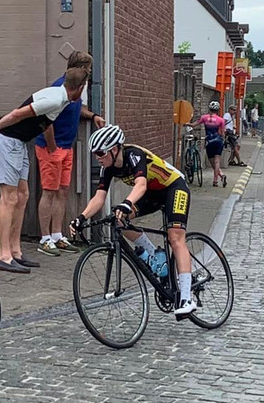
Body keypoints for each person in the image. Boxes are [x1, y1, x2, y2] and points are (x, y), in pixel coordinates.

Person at [70, 124, 197, 315]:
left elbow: (141, 184)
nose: (97, 158)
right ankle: (155, 256)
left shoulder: (133, 154)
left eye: (100, 153)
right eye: (94, 154)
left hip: (173, 188)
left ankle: (187, 298)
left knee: (175, 238)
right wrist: (81, 217)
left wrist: (127, 202)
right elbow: (99, 197)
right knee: (117, 219)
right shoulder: (109, 167)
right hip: (151, 195)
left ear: (114, 149)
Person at [0, 67, 87, 273]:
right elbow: (17, 113)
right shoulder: (55, 99)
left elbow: (43, 122)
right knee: (9, 198)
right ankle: (3, 255)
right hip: (7, 142)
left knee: (23, 195)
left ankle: (15, 251)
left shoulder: (63, 98)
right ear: (80, 88)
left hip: (19, 143)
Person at [35, 52, 104, 257]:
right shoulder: (58, 88)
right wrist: (52, 147)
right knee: (49, 191)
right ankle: (44, 239)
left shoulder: (76, 89)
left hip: (67, 147)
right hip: (52, 148)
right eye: (88, 70)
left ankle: (57, 235)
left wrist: (93, 116)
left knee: (62, 191)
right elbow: (45, 120)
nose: (90, 73)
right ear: (81, 69)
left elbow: (75, 109)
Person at [195, 101, 227, 187]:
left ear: (209, 108)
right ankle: (216, 180)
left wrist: (187, 123)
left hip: (209, 141)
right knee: (217, 162)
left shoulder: (204, 117)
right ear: (218, 110)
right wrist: (224, 140)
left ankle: (221, 176)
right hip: (218, 141)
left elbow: (195, 124)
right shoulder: (221, 120)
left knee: (212, 162)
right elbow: (223, 133)